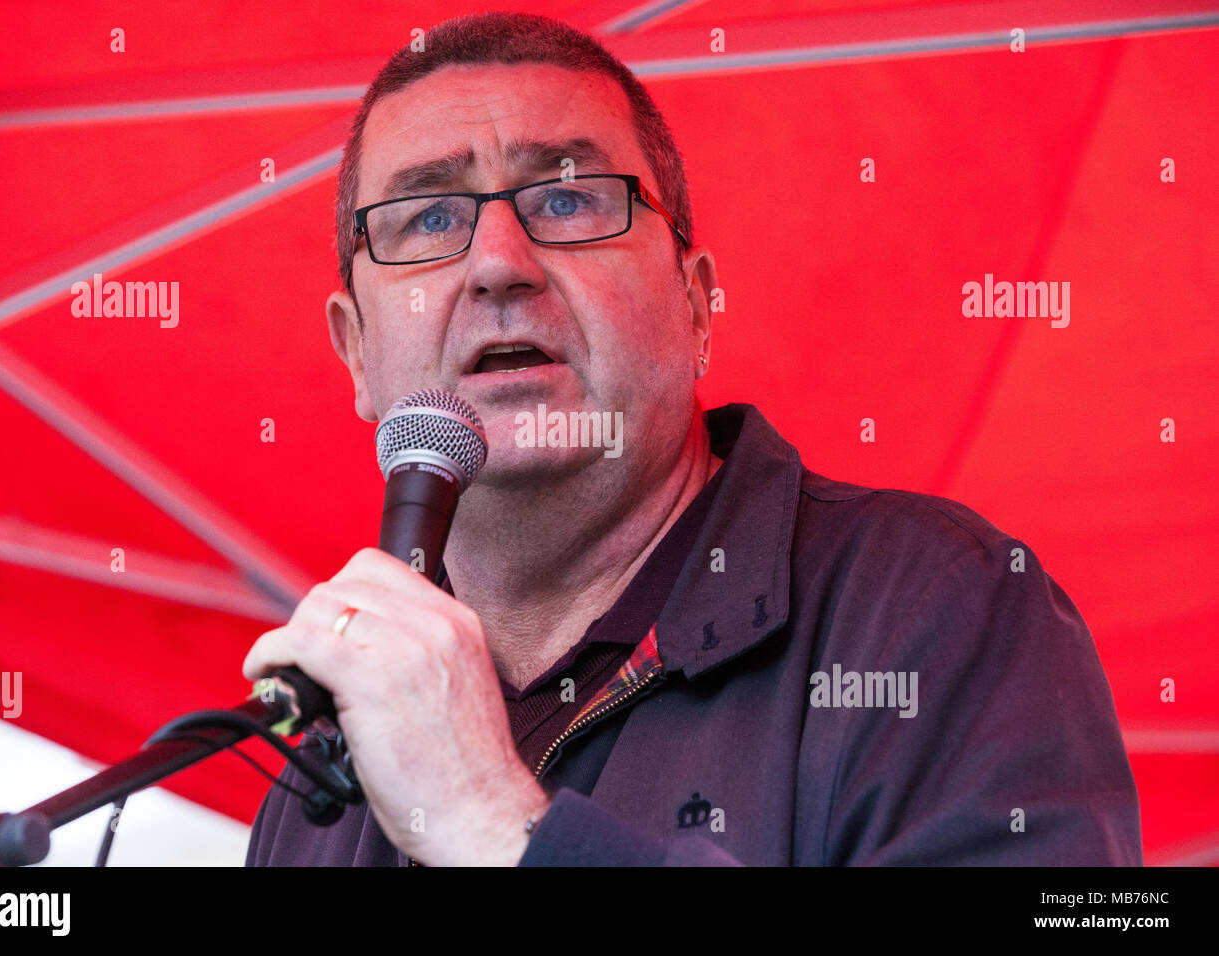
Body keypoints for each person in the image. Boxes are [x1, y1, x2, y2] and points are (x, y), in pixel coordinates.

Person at [244, 11, 1142, 866]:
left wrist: (494, 825)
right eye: (430, 218)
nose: (497, 264)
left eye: (567, 198)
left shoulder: (940, 609)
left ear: (697, 304)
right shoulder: (318, 762)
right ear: (358, 352)